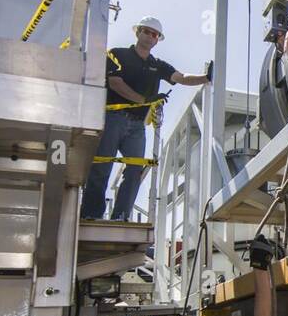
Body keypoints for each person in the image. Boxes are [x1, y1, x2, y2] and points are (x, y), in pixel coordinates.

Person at [81, 17, 212, 221]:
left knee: (135, 170)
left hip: (137, 126)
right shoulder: (118, 54)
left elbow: (181, 77)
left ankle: (121, 216)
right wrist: (145, 99)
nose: (150, 37)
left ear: (158, 40)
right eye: (147, 32)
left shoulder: (157, 65)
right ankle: (90, 214)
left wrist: (206, 77)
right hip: (112, 118)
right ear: (138, 32)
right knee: (102, 166)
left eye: (155, 34)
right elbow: (115, 83)